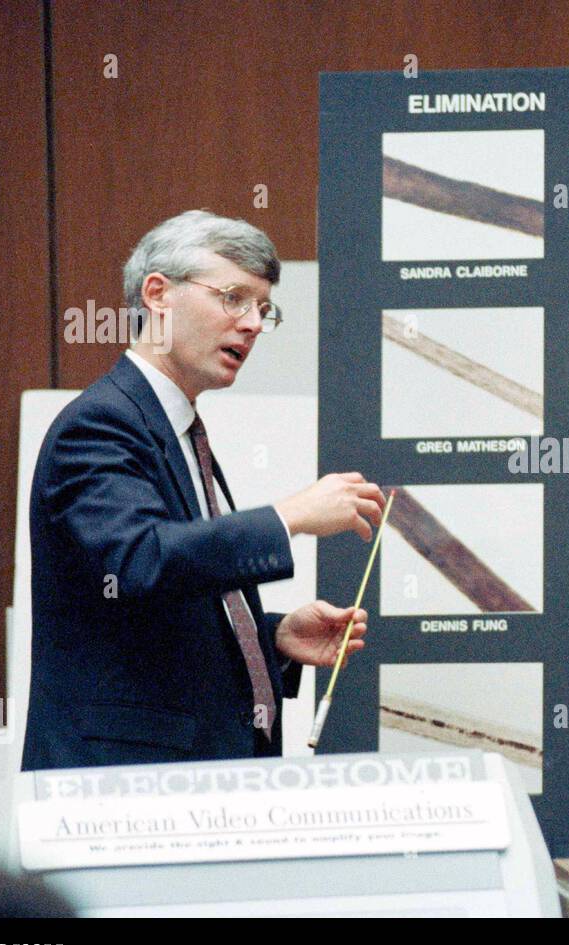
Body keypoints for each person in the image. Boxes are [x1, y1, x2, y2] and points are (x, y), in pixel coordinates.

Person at [21, 210, 386, 770]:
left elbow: (165, 603)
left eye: (264, 309)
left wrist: (275, 638)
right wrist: (290, 516)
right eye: (234, 298)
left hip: (191, 785)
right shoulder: (98, 425)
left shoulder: (176, 431)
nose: (253, 324)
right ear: (159, 295)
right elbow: (140, 560)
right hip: (119, 790)